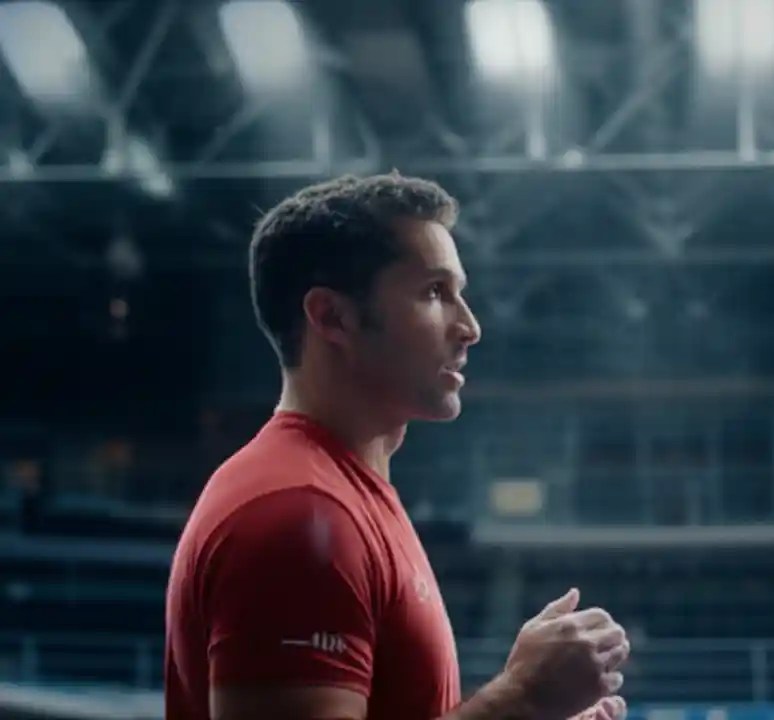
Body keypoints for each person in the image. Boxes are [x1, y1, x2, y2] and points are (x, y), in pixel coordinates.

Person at [165, 173, 630, 720]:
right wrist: (521, 698)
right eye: (434, 292)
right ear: (332, 317)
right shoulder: (298, 513)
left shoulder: (340, 496)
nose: (470, 326)